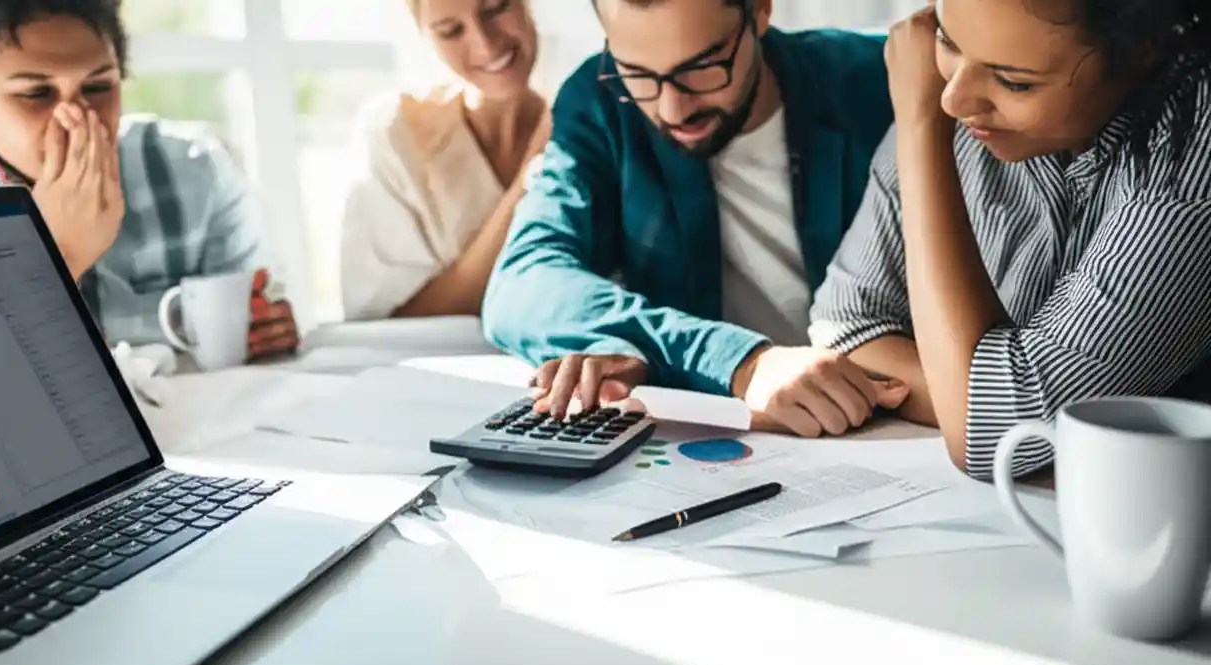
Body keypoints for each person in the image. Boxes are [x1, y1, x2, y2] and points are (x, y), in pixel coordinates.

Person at [809, 0, 1211, 479]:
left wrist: (920, 129)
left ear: (1143, 52)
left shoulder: (1187, 169)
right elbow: (845, 328)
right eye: (947, 41)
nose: (951, 101)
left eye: (1015, 82)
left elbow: (997, 436)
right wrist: (969, 393)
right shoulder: (964, 103)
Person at [483, 0, 908, 432]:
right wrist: (740, 362)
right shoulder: (601, 102)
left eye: (702, 66)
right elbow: (523, 282)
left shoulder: (881, 80)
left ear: (760, 11)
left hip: (898, 423)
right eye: (638, 72)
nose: (673, 111)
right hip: (727, 440)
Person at [0, 0, 299, 359]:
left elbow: (253, 315)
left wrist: (264, 327)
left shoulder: (196, 172)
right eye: (36, 93)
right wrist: (59, 256)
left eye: (98, 87)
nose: (77, 117)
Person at [340, 0, 550, 320]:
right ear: (425, 37)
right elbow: (384, 322)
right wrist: (531, 173)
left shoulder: (592, 119)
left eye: (496, 8)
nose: (485, 43)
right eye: (451, 31)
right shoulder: (394, 134)